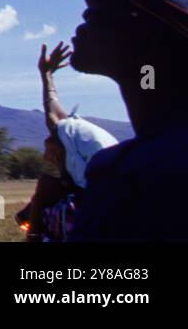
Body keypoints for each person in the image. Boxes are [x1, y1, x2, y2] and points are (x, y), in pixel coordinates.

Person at [36, 0, 188, 242]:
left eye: (100, 10)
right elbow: (148, 22)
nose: (85, 16)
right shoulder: (179, 143)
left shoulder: (134, 179)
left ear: (149, 40)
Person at [14, 40, 118, 242]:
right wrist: (47, 76)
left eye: (52, 145)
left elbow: (56, 123)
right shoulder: (87, 146)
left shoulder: (74, 214)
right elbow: (57, 118)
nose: (46, 156)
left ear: (75, 158)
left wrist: (37, 207)